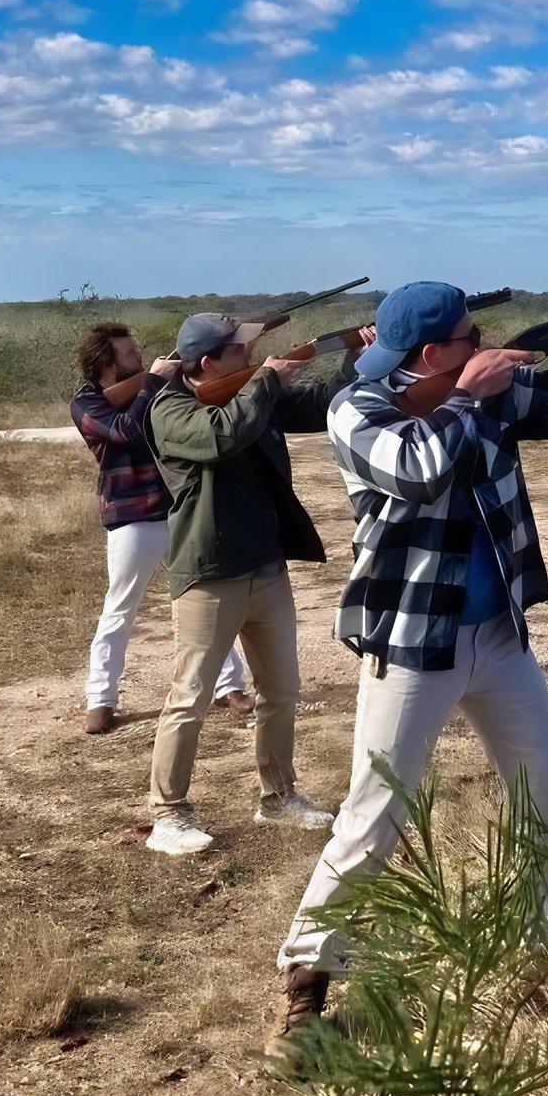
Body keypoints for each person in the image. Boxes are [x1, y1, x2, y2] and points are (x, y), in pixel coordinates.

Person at [269, 280, 548, 1045]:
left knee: (547, 802)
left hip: (500, 636)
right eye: (471, 336)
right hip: (412, 640)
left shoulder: (482, 388)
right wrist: (470, 399)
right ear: (435, 352)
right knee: (373, 819)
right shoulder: (357, 408)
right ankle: (304, 988)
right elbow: (419, 469)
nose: (485, 341)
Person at [141, 311, 371, 855]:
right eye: (240, 352)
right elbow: (222, 438)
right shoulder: (169, 408)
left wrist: (354, 358)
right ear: (207, 363)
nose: (249, 357)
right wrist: (266, 379)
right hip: (209, 573)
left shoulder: (249, 392)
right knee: (191, 696)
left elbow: (320, 408)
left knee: (282, 690)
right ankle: (168, 814)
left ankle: (278, 796)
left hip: (266, 566)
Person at [71, 323, 249, 736]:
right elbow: (125, 432)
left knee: (205, 599)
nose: (137, 353)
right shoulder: (87, 402)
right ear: (104, 362)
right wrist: (153, 380)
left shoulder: (150, 386)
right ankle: (100, 699)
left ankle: (227, 685)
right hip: (131, 515)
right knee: (121, 609)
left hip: (177, 508)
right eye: (128, 351)